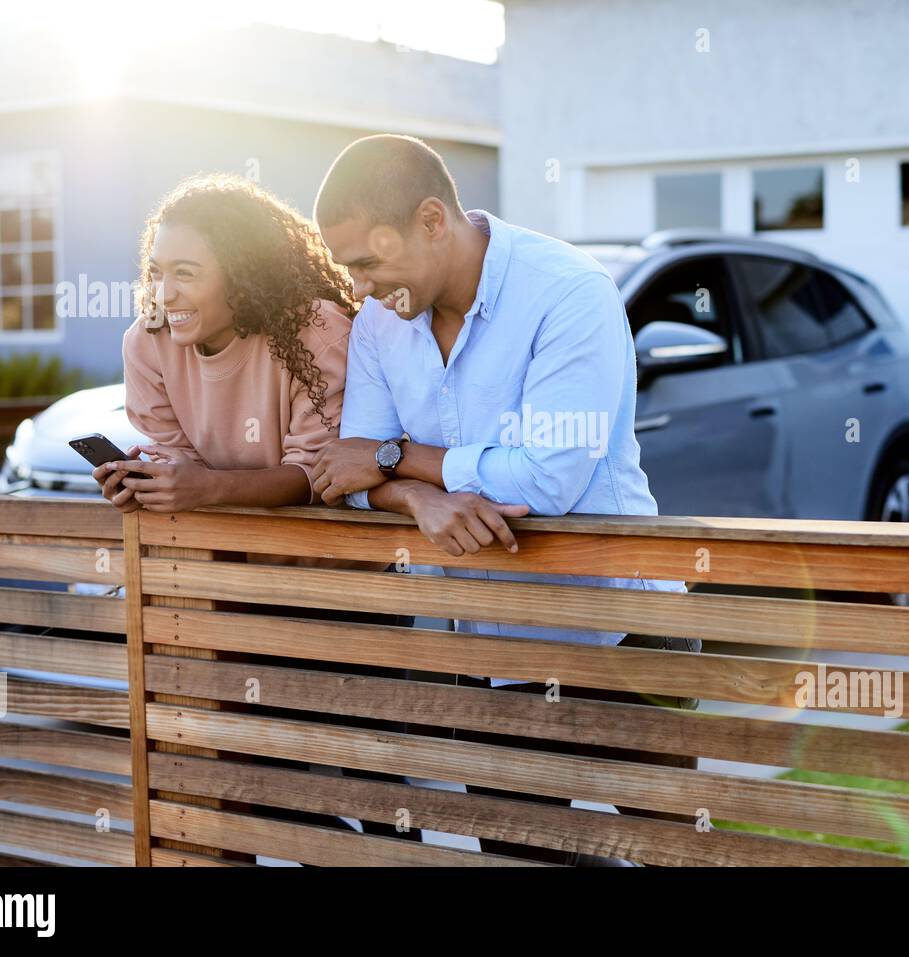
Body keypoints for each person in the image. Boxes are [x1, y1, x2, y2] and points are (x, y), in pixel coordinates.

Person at [308, 134, 699, 865]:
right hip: (491, 644)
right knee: (523, 856)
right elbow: (348, 478)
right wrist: (418, 501)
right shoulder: (377, 324)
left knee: (669, 851)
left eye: (367, 261)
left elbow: (546, 481)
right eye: (347, 266)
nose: (356, 286)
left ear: (432, 220)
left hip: (624, 632)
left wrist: (399, 459)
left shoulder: (568, 291)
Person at [92, 173, 420, 843]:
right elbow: (170, 452)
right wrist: (147, 481)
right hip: (231, 592)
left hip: (339, 589)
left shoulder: (316, 330)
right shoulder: (147, 341)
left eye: (186, 272)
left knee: (370, 782)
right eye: (157, 272)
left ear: (241, 273)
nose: (165, 292)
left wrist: (204, 488)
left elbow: (318, 473)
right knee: (248, 780)